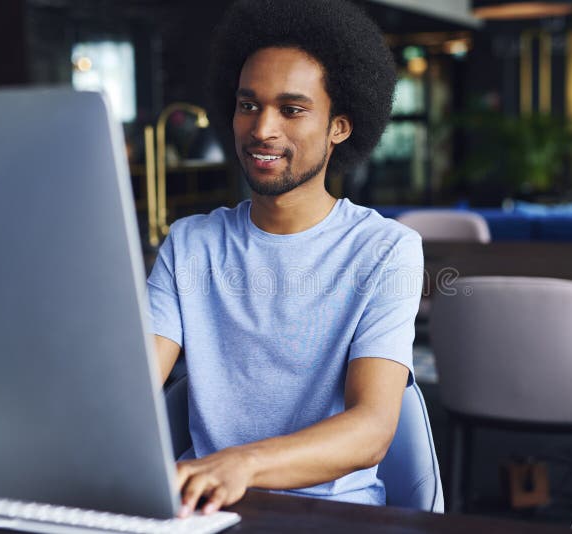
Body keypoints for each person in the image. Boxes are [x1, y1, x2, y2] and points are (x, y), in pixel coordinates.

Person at [146, 0, 423, 516]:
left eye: (291, 110)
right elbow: (132, 385)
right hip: (201, 508)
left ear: (340, 127)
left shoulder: (385, 249)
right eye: (248, 105)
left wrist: (242, 464)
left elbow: (372, 431)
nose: (262, 129)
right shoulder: (190, 243)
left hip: (332, 514)